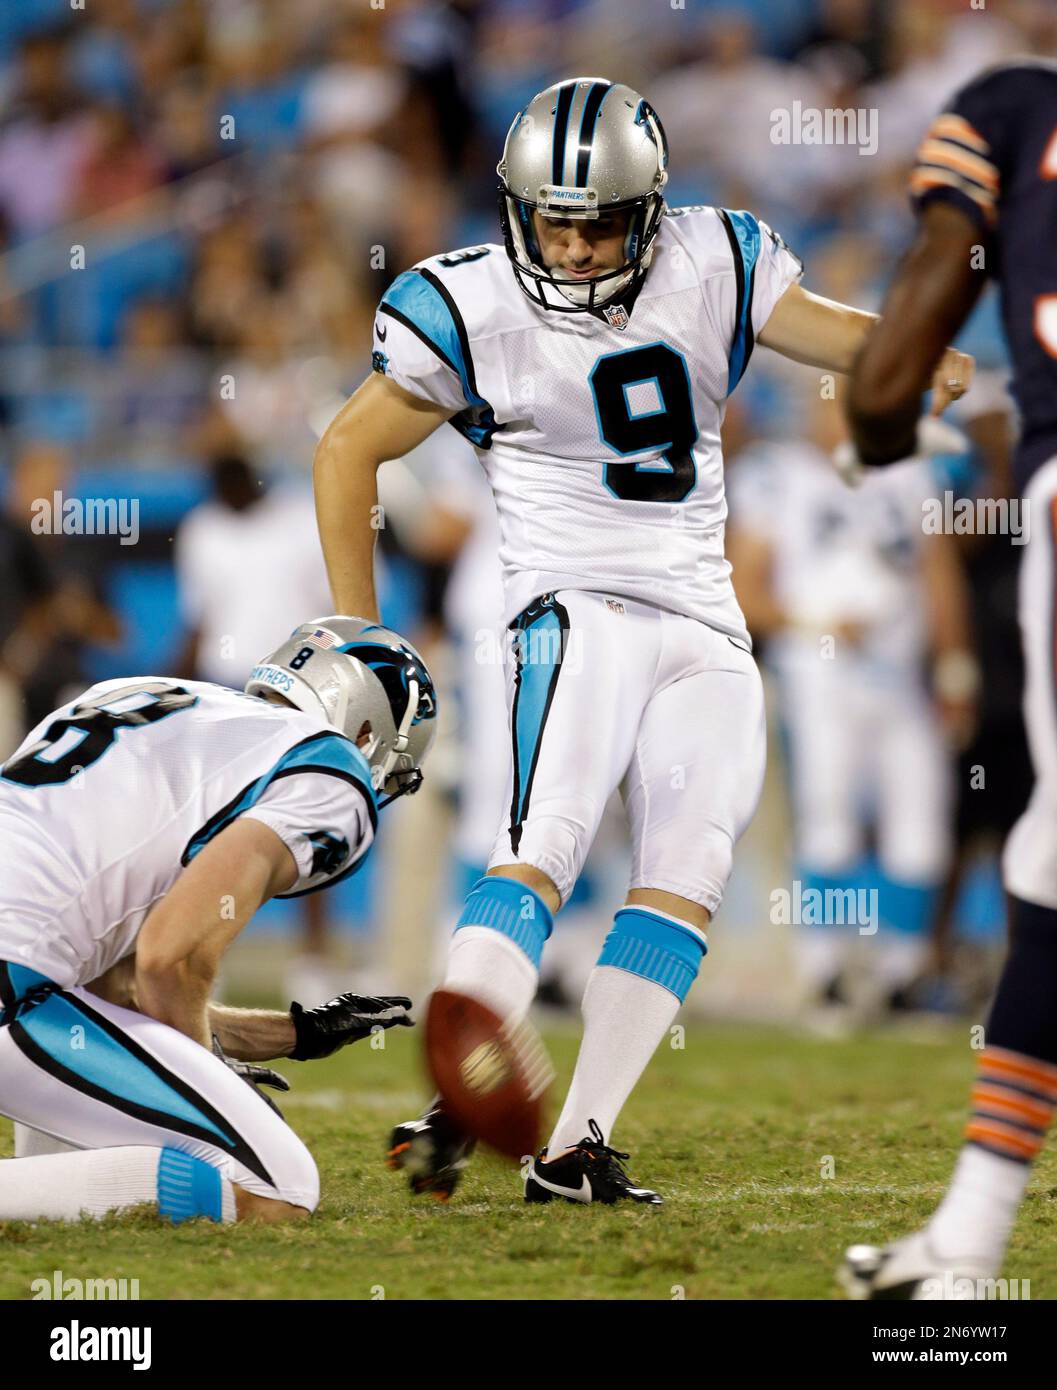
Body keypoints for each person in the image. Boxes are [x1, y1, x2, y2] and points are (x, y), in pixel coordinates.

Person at [314, 77, 971, 1205]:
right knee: (546, 842)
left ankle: (574, 1145)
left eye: (598, 220)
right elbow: (344, 450)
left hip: (706, 620)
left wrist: (912, 358)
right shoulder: (471, 306)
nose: (570, 246)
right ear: (516, 206)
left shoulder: (716, 261)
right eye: (551, 218)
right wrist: (359, 631)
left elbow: (843, 340)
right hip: (573, 608)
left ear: (653, 210)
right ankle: (458, 1085)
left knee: (687, 870)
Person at [839, 59, 1057, 1297]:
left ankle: (962, 1259)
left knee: (1044, 866)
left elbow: (879, 389)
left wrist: (884, 430)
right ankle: (959, 1249)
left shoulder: (1013, 110)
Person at [0, 617, 435, 1225]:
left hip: (31, 981)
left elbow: (112, 986)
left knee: (106, 1142)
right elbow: (169, 957)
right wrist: (210, 1074)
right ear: (368, 730)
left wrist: (294, 1034)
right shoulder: (331, 767)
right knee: (274, 1190)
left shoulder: (146, 696)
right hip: (15, 988)